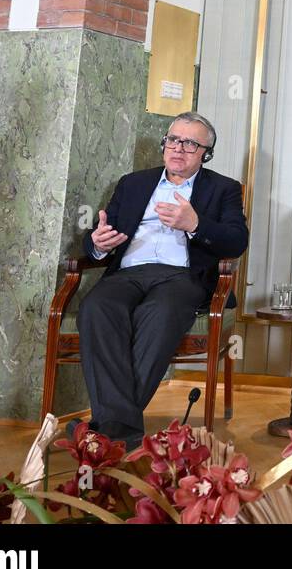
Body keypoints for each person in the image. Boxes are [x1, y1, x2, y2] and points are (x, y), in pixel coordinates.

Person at [76, 111, 248, 449]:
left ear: (205, 153)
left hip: (181, 276)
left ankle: (106, 431)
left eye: (190, 143)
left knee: (160, 314)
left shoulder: (224, 189)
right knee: (96, 307)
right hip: (128, 271)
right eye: (173, 140)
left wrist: (195, 224)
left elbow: (236, 241)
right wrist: (96, 244)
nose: (178, 148)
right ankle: (120, 433)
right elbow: (101, 233)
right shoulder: (134, 183)